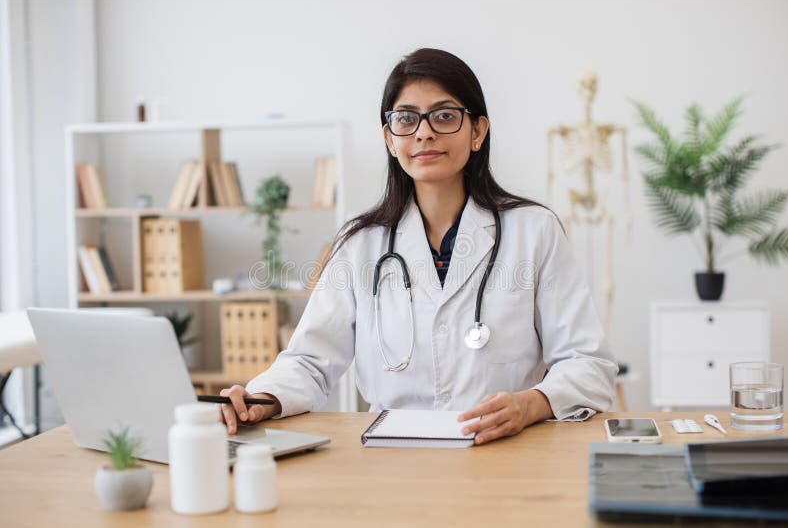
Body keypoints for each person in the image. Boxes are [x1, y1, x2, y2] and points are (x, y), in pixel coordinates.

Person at [220, 48, 617, 445]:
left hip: (505, 451)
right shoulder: (361, 244)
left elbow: (588, 364)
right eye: (406, 119)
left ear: (477, 132)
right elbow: (309, 361)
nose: (423, 132)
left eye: (444, 116)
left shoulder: (535, 231)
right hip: (394, 459)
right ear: (390, 139)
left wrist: (530, 405)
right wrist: (263, 397)